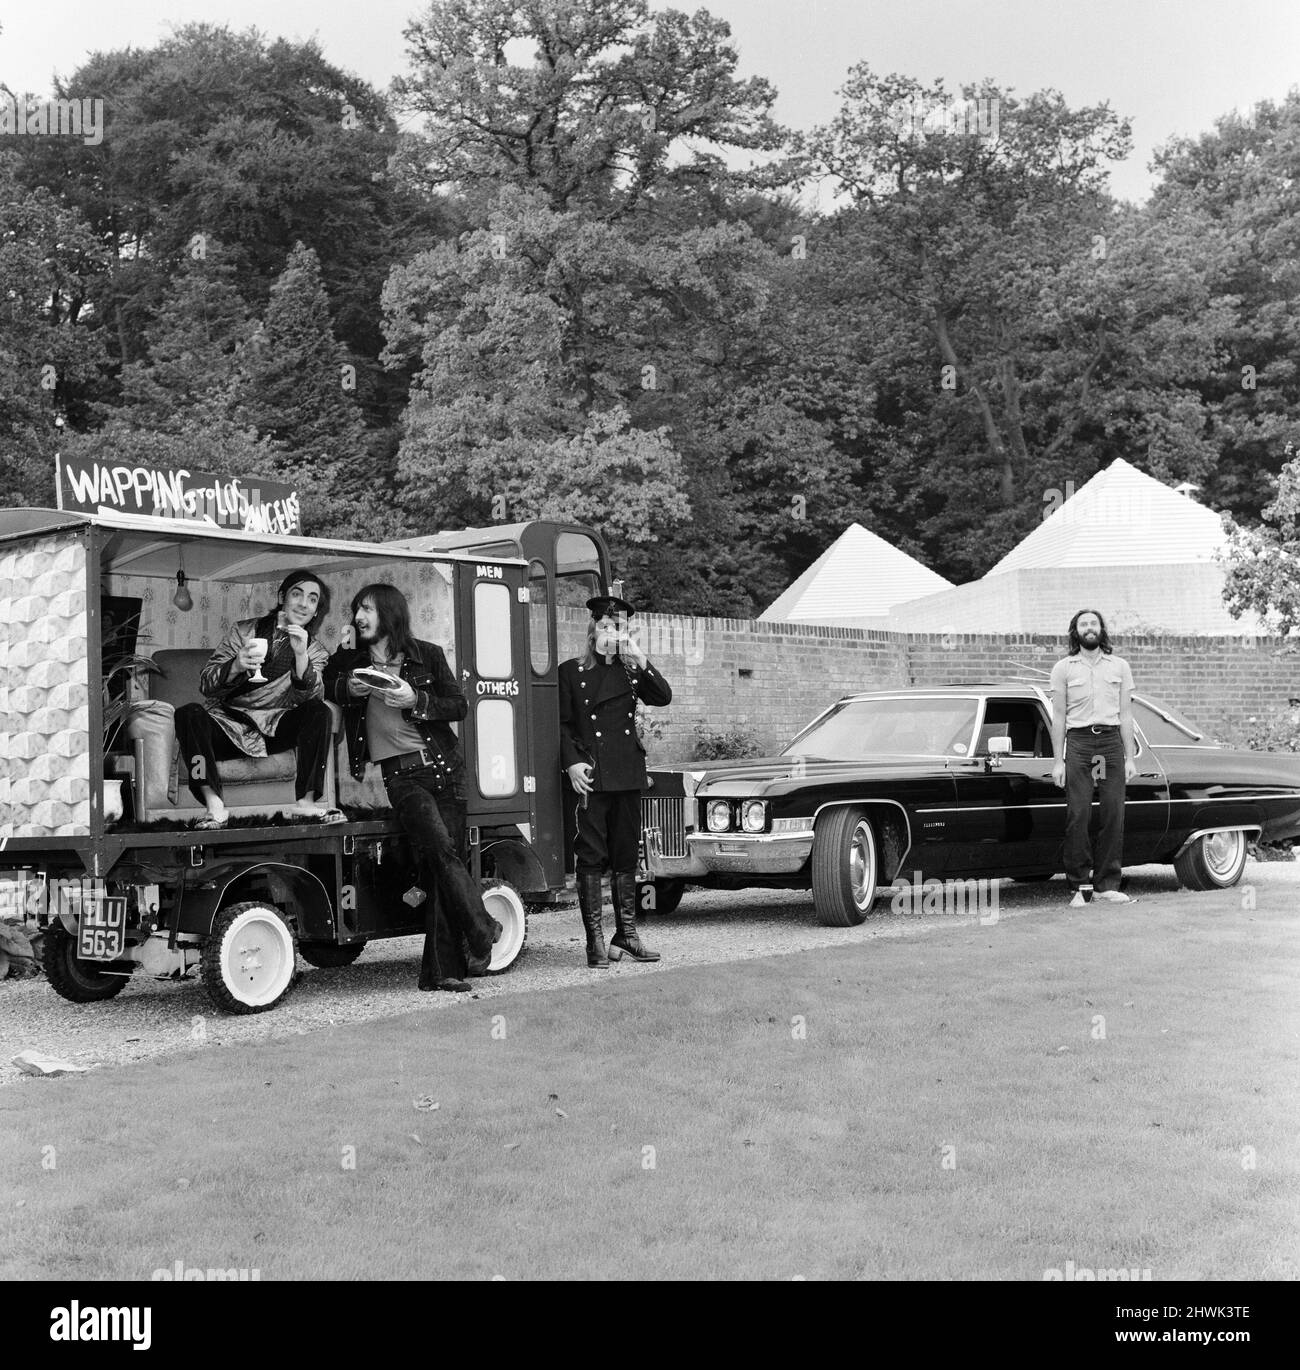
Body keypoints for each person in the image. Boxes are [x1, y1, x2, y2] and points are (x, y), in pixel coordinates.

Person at [323, 584, 501, 993]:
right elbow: (325, 686)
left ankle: (441, 974)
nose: (357, 616)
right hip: (402, 777)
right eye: (356, 610)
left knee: (444, 865)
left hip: (446, 769)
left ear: (388, 613)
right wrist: (348, 686)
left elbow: (459, 706)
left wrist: (414, 699)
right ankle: (482, 926)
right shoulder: (352, 661)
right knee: (440, 850)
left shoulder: (427, 654)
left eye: (365, 608)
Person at [174, 569, 339, 830]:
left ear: (317, 611)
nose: (303, 604)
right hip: (228, 726)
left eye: (312, 599)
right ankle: (212, 803)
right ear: (282, 597)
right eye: (297, 594)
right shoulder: (243, 631)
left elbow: (309, 697)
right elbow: (206, 683)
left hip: (275, 728)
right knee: (188, 713)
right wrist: (237, 665)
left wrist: (300, 656)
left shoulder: (316, 651)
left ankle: (306, 802)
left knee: (319, 711)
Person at [559, 594, 672, 967]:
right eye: (605, 626)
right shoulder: (571, 671)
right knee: (591, 857)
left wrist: (638, 655)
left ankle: (626, 935)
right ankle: (594, 941)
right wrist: (573, 763)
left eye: (618, 627)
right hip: (591, 775)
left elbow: (664, 696)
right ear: (592, 630)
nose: (611, 632)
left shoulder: (630, 670)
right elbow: (561, 724)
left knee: (626, 856)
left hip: (626, 772)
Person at [1049, 609, 1139, 906]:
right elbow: (1059, 717)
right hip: (1079, 742)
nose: (1089, 628)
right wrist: (1057, 760)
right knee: (1079, 814)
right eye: (1083, 624)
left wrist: (1130, 757)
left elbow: (1126, 715)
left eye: (1094, 623)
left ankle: (1106, 885)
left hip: (1111, 742)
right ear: (1076, 631)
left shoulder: (1120, 666)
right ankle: (1079, 887)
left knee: (1114, 814)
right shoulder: (1063, 668)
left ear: (1102, 629)